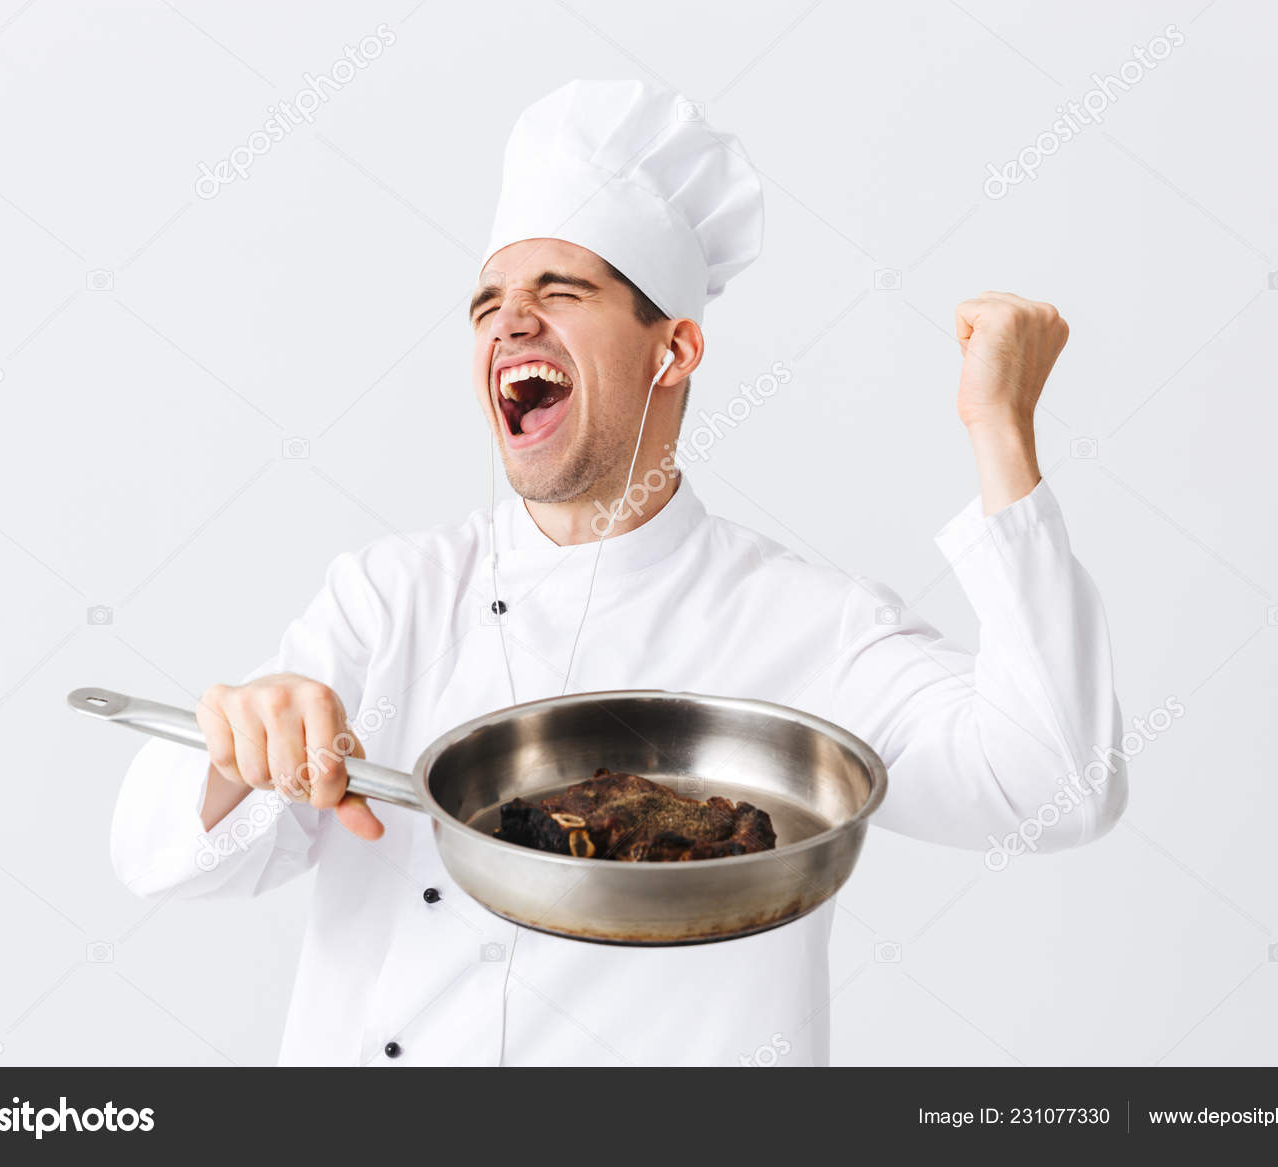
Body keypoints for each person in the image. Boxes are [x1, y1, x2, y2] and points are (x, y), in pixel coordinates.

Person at [111, 80, 1123, 1066]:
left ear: (672, 352)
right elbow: (160, 859)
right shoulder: (391, 598)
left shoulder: (809, 623)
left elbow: (1055, 788)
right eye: (489, 303)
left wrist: (1000, 432)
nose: (510, 322)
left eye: (560, 292)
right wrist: (239, 740)